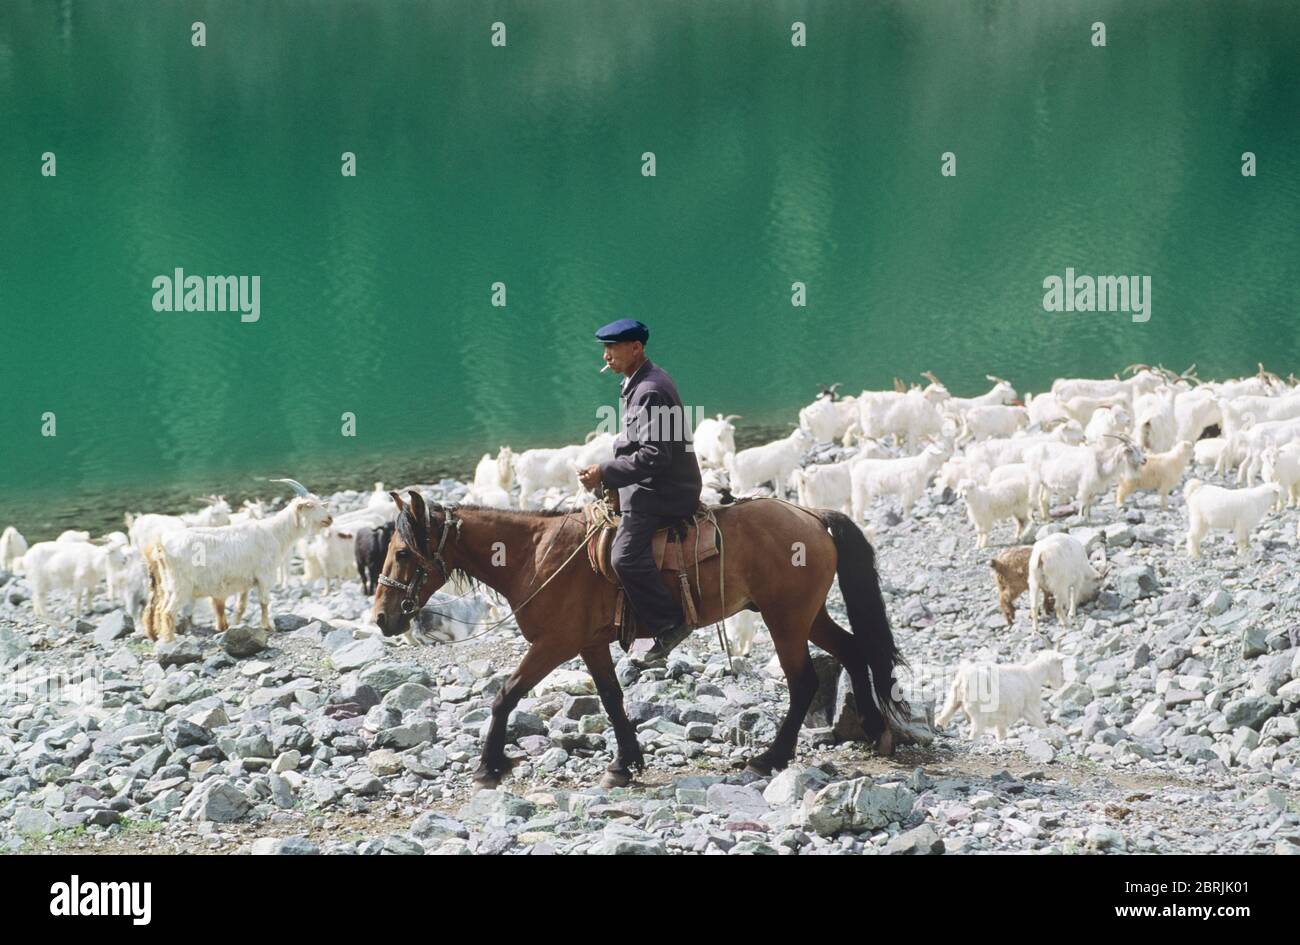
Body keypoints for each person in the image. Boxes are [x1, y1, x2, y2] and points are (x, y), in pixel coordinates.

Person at [577, 318, 702, 662]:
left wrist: (605, 473)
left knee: (624, 557)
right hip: (651, 481)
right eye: (604, 348)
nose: (606, 356)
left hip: (665, 490)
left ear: (636, 348)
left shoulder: (649, 390)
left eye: (613, 348)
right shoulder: (641, 381)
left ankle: (669, 623)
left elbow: (655, 455)